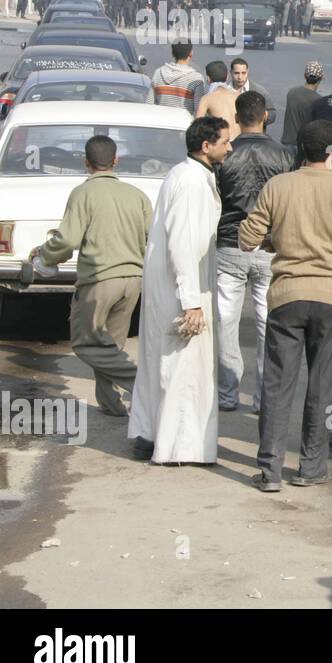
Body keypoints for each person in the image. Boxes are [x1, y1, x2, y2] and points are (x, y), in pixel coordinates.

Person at [239, 120, 332, 492]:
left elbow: (247, 240)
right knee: (322, 386)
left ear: (301, 149)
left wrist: (277, 239)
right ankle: (312, 466)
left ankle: (269, 470)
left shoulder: (278, 186)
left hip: (287, 296)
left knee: (277, 385)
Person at [127, 117, 231, 464]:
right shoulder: (190, 182)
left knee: (162, 364)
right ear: (206, 146)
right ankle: (176, 447)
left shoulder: (188, 175)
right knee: (181, 368)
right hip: (181, 288)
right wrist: (191, 302)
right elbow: (183, 245)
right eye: (225, 142)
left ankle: (150, 435)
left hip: (173, 285)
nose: (229, 148)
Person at [30, 136, 152, 417]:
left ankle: (143, 386)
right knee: (111, 346)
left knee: (86, 344)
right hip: (133, 280)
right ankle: (111, 404)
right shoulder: (137, 195)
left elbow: (68, 239)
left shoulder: (83, 194)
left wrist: (45, 255)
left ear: (85, 162)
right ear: (116, 160)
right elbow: (152, 237)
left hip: (99, 280)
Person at [215, 91, 294, 413]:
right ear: (265, 117)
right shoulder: (284, 155)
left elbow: (215, 199)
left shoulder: (225, 154)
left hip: (229, 245)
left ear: (236, 119)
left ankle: (227, 394)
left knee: (226, 321)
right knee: (267, 324)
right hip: (269, 247)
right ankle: (263, 398)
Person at [152, 42, 207, 114]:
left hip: (161, 120)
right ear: (191, 54)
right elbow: (199, 110)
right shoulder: (196, 78)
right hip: (184, 121)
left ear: (172, 53)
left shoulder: (158, 73)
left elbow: (149, 104)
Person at [196, 61, 239, 134]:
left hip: (222, 140)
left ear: (208, 78)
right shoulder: (238, 96)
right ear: (227, 77)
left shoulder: (207, 99)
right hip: (240, 139)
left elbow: (197, 126)